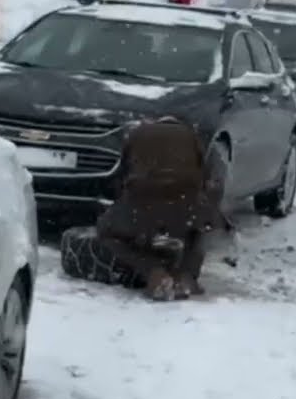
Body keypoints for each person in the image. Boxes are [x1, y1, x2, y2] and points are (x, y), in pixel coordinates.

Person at [94, 117, 226, 301]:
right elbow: (205, 176)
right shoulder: (192, 136)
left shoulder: (137, 134)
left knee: (107, 232)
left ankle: (153, 272)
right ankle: (186, 276)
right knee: (200, 230)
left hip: (143, 201)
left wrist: (123, 206)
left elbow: (122, 172)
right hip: (185, 201)